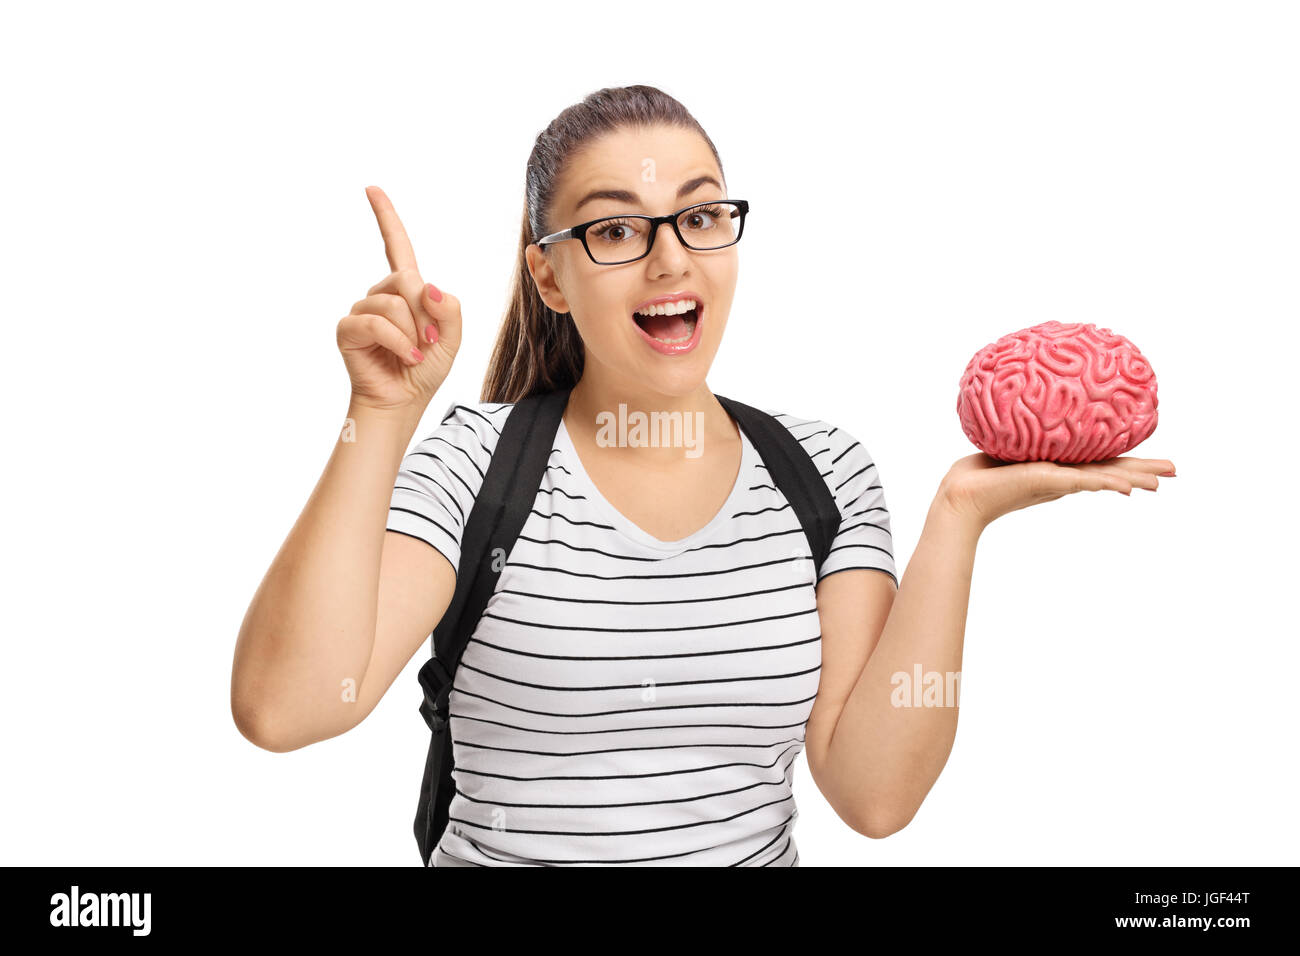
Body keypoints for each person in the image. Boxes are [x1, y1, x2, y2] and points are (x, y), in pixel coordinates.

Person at [231, 85, 1176, 867]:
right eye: (614, 232)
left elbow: (875, 796)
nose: (671, 258)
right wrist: (382, 416)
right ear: (550, 279)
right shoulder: (477, 462)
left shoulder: (825, 472)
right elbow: (287, 710)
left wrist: (960, 516)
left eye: (700, 214)